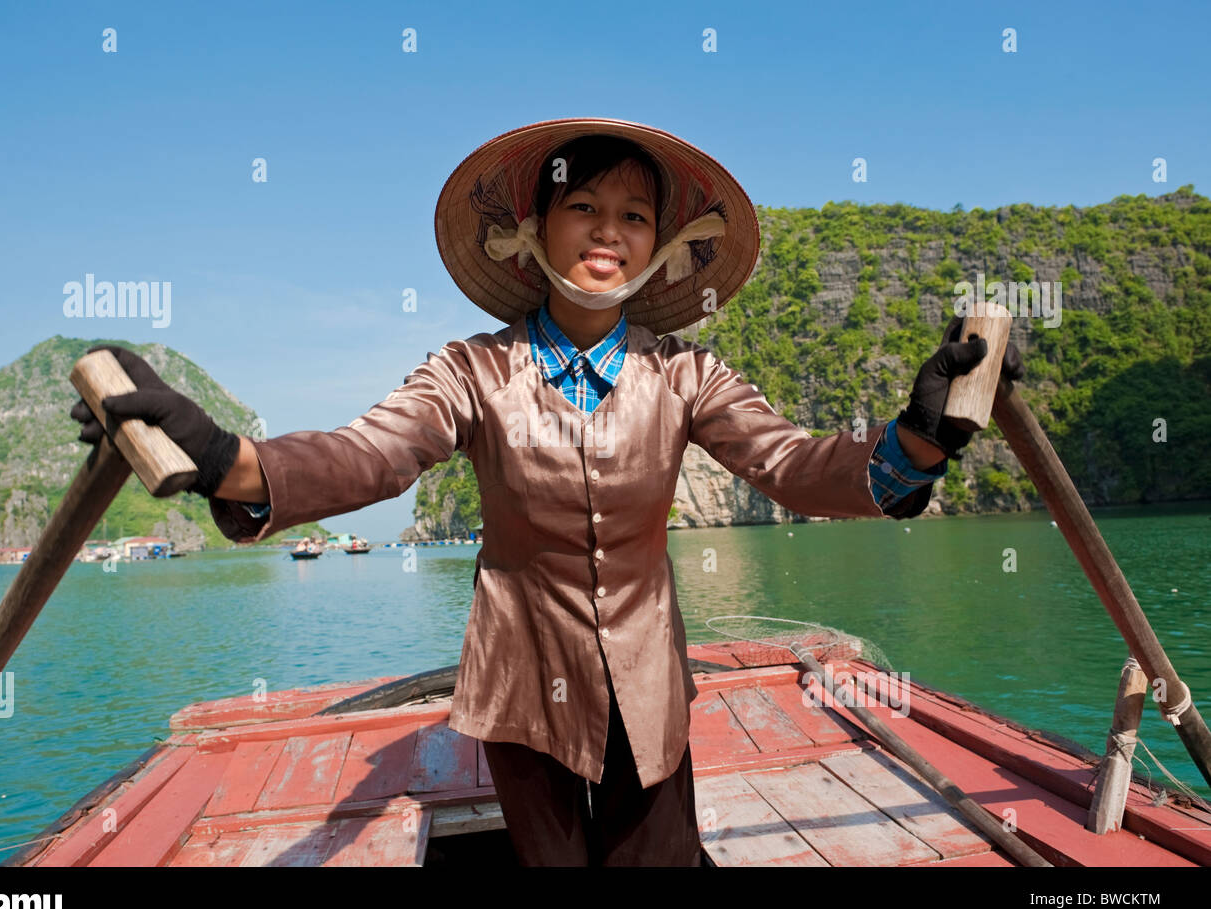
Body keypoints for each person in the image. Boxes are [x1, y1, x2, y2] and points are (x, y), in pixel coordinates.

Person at [72, 117, 1022, 867]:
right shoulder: (472, 372)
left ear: (657, 244)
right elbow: (375, 453)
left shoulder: (687, 377)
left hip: (652, 692)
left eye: (635, 215)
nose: (609, 228)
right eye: (584, 205)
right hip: (523, 693)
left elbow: (797, 463)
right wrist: (232, 460)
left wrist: (919, 436)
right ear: (536, 230)